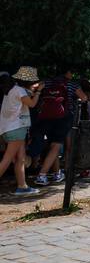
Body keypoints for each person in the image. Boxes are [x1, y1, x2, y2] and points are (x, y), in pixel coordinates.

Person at [31, 67, 87, 186]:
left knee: (52, 144)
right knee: (56, 145)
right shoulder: (72, 84)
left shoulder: (46, 81)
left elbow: (32, 89)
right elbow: (84, 98)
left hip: (45, 117)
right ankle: (42, 175)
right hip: (63, 118)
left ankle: (57, 173)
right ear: (66, 72)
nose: (72, 74)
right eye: (71, 72)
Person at [0, 66, 43, 196]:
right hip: (16, 129)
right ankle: (22, 186)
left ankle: (22, 186)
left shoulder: (11, 90)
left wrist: (33, 90)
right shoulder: (19, 91)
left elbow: (26, 96)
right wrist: (39, 92)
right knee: (7, 159)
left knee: (21, 158)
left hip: (9, 129)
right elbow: (32, 104)